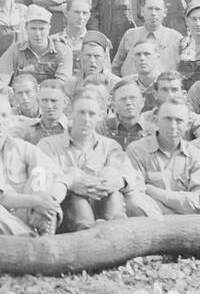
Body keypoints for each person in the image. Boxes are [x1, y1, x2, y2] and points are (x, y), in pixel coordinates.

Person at [39, 91, 155, 227]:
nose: (86, 119)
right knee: (76, 192)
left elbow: (129, 174)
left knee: (112, 182)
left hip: (104, 206)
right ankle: (90, 232)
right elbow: (42, 180)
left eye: (92, 114)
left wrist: (116, 182)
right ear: (70, 113)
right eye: (81, 113)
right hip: (68, 214)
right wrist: (70, 183)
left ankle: (116, 228)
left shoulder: (110, 146)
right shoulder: (48, 145)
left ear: (100, 116)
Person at [0, 93, 67, 235]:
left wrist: (46, 203)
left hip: (28, 214)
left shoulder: (21, 147)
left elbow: (57, 175)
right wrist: (36, 202)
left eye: (4, 116)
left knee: (41, 171)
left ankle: (41, 227)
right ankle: (35, 243)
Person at [126, 97, 200, 215]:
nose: (173, 126)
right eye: (167, 119)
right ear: (156, 120)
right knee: (133, 199)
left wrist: (155, 192)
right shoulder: (137, 150)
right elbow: (136, 193)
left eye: (179, 121)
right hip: (153, 222)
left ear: (187, 125)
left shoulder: (198, 156)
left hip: (191, 225)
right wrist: (177, 210)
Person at [0, 6, 73, 87]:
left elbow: (62, 84)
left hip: (50, 97)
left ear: (49, 29)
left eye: (42, 29)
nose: (37, 34)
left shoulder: (63, 51)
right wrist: (13, 93)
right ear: (26, 28)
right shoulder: (16, 50)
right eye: (33, 29)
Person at [113, 0, 183, 76]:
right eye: (150, 9)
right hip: (133, 86)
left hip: (163, 87)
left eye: (157, 9)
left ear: (164, 12)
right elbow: (115, 68)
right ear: (142, 11)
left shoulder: (176, 38)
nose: (153, 13)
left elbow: (183, 70)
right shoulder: (130, 35)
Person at [142, 71, 200, 148]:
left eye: (174, 90)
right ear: (155, 94)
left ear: (184, 94)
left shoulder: (192, 118)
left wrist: (182, 149)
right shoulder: (143, 118)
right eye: (164, 90)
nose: (170, 95)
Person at [102, 76, 149, 151]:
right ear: (113, 105)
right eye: (123, 99)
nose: (128, 103)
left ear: (142, 103)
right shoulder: (102, 130)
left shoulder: (154, 132)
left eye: (133, 98)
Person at [66, 31, 118, 95]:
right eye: (88, 55)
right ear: (81, 55)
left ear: (105, 57)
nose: (92, 61)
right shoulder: (71, 84)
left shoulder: (115, 85)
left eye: (97, 56)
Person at [21, 79, 70, 144]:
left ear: (65, 102)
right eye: (44, 100)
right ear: (38, 101)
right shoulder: (27, 130)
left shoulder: (73, 131)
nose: (49, 106)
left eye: (53, 101)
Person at [53, 0, 94, 66]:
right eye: (76, 12)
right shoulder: (53, 41)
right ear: (66, 13)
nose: (81, 17)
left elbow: (106, 73)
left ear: (89, 16)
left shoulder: (97, 43)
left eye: (85, 13)